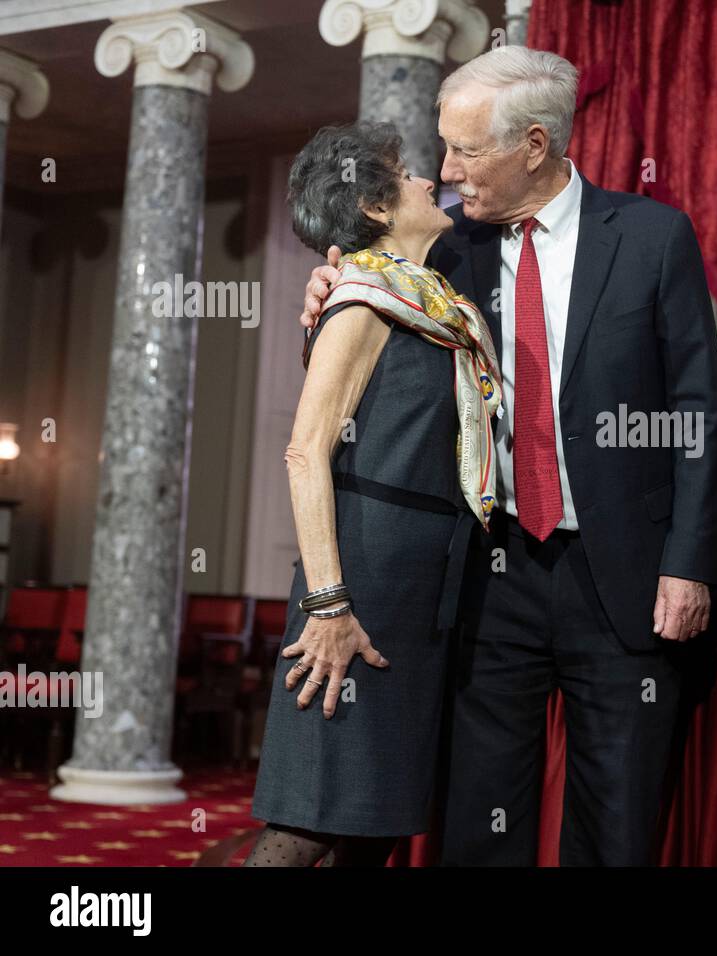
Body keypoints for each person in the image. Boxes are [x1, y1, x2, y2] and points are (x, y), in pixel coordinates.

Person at [299, 47, 717, 866]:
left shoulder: (651, 236)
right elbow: (363, 338)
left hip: (626, 577)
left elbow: (700, 413)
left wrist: (689, 563)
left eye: (466, 150)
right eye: (444, 149)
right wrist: (325, 294)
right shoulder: (443, 248)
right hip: (485, 572)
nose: (448, 170)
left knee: (618, 825)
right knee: (478, 819)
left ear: (535, 145)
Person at [245, 120, 501, 866]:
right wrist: (329, 605)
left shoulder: (432, 299)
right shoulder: (359, 299)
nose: (430, 181)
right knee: (313, 815)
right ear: (380, 207)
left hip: (419, 584)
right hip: (358, 579)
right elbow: (304, 451)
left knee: (376, 816)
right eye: (410, 173)